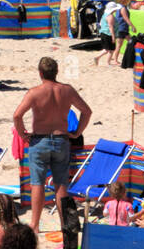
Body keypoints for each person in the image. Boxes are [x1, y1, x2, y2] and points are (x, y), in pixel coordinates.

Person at [13, 57, 92, 232]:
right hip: (61, 140)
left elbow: (17, 115)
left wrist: (22, 134)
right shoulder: (67, 90)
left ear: (40, 73)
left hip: (39, 140)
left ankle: (34, 224)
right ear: (56, 72)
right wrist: (77, 132)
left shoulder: (34, 92)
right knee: (61, 184)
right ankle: (64, 223)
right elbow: (87, 111)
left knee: (37, 183)